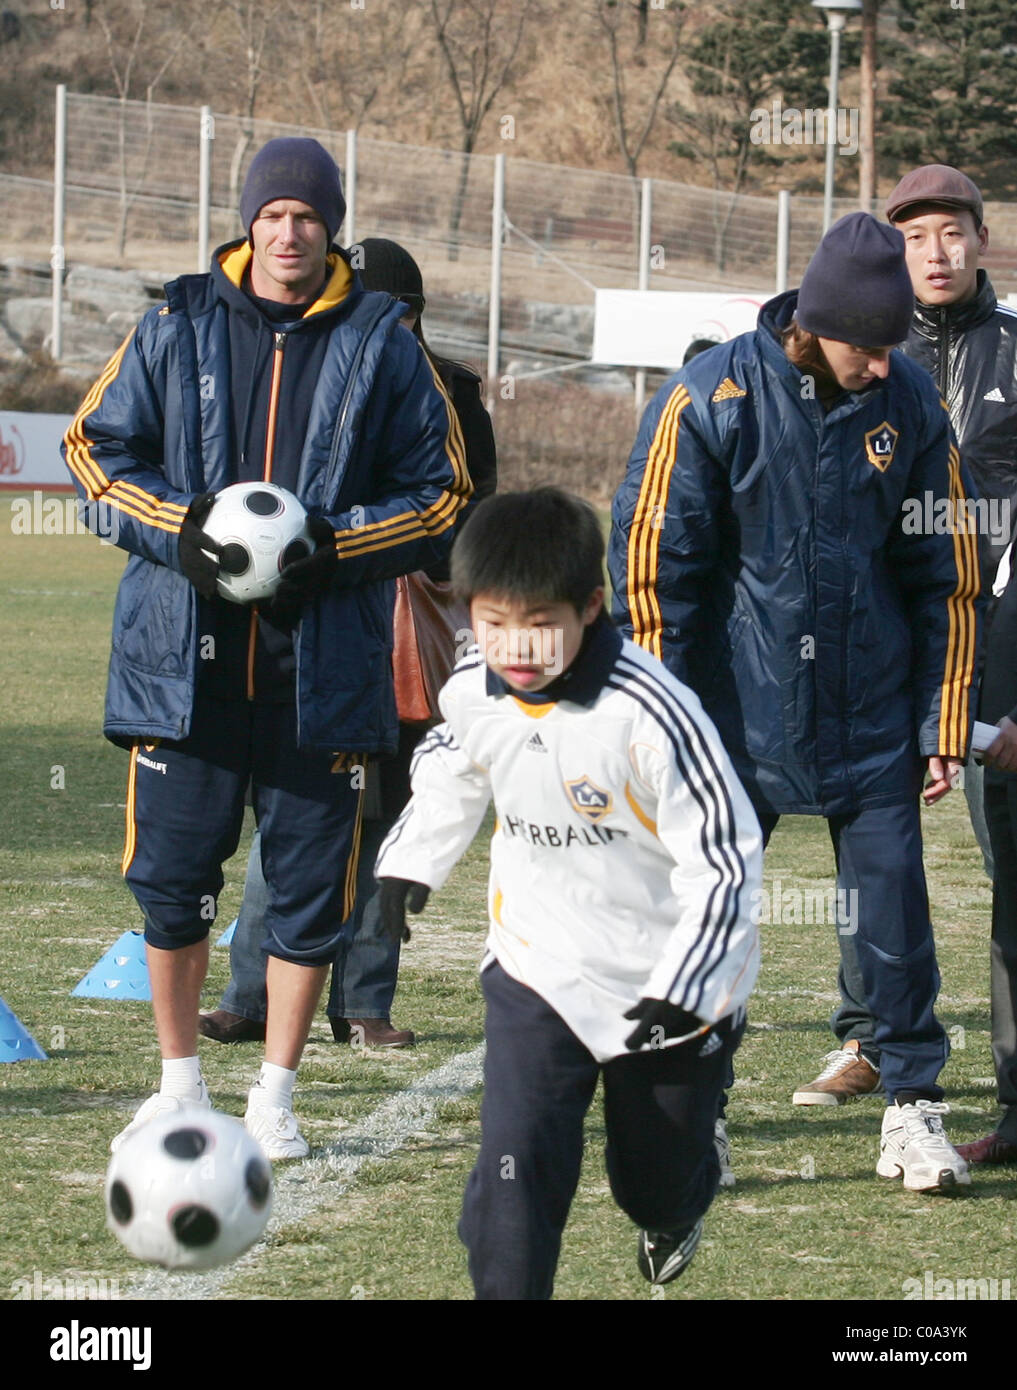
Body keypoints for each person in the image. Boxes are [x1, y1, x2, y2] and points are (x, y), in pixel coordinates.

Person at [62, 138, 470, 1159]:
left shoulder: (383, 338)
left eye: (309, 216)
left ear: (333, 226)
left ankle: (276, 1098)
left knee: (304, 900)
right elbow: (93, 449)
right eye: (273, 214)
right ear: (250, 221)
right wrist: (185, 533)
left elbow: (444, 494)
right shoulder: (178, 317)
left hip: (319, 677)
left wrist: (329, 547)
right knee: (173, 883)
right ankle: (178, 1085)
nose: (290, 233)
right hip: (180, 675)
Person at [610, 211, 983, 1193]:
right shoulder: (710, 396)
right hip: (733, 722)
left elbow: (945, 570)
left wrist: (942, 719)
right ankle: (704, 1116)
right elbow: (655, 572)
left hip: (871, 719)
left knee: (894, 915)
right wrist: (661, 724)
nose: (878, 363)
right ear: (814, 324)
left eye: (892, 345)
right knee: (713, 923)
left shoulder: (908, 399)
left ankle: (912, 1111)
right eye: (864, 343)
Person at [375, 487, 762, 1299]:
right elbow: (453, 759)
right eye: (491, 620)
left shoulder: (655, 714)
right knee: (515, 1180)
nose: (514, 645)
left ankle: (677, 1203)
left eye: (540, 621)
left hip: (662, 979)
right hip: (536, 965)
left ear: (590, 607)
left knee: (648, 1184)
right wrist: (409, 858)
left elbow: (725, 862)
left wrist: (686, 989)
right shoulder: (478, 678)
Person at [198, 237, 496, 1050]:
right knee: (295, 820)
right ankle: (250, 994)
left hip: (411, 639)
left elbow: (470, 517)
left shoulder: (454, 393)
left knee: (388, 822)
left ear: (409, 314)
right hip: (315, 628)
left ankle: (364, 1002)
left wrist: (385, 549)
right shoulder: (301, 371)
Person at [798, 166, 1017, 1108]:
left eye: (951, 232)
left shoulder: (1015, 349)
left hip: (999, 626)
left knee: (1003, 839)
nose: (934, 251)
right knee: (871, 841)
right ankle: (874, 1038)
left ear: (980, 241)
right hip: (883, 634)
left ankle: (1010, 1080)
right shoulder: (869, 348)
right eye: (914, 234)